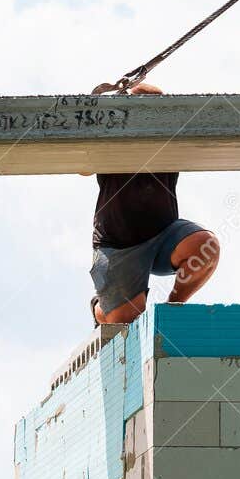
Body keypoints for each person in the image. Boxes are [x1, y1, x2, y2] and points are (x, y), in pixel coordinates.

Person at [89, 82, 220, 324]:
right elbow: (83, 168)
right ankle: (101, 306)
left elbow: (206, 133)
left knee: (206, 246)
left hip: (164, 236)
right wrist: (101, 119)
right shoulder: (113, 140)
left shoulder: (171, 138)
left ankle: (173, 308)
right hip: (119, 245)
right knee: (123, 320)